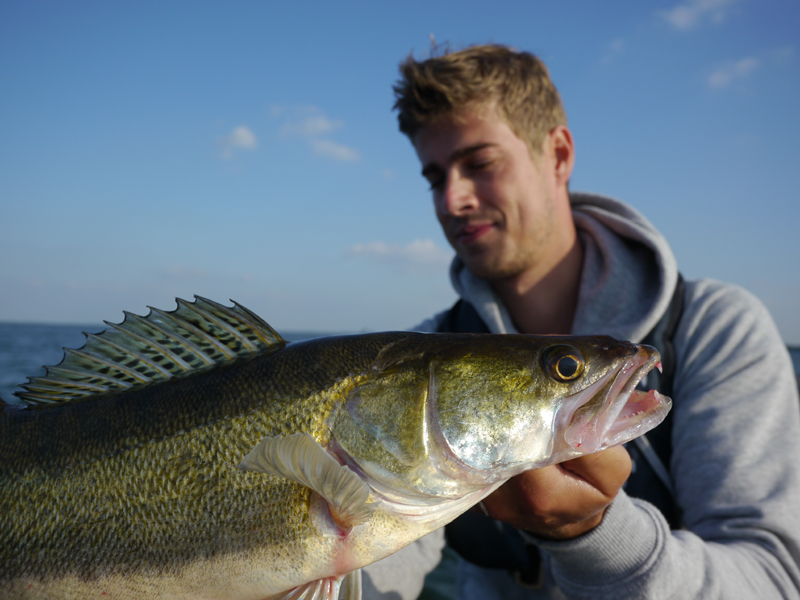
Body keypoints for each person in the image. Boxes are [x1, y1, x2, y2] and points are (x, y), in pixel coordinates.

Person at [361, 44, 800, 599]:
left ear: (560, 155)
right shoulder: (415, 364)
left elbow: (772, 580)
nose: (452, 200)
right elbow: (379, 557)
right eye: (434, 177)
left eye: (480, 163)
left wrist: (597, 534)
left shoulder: (717, 329)